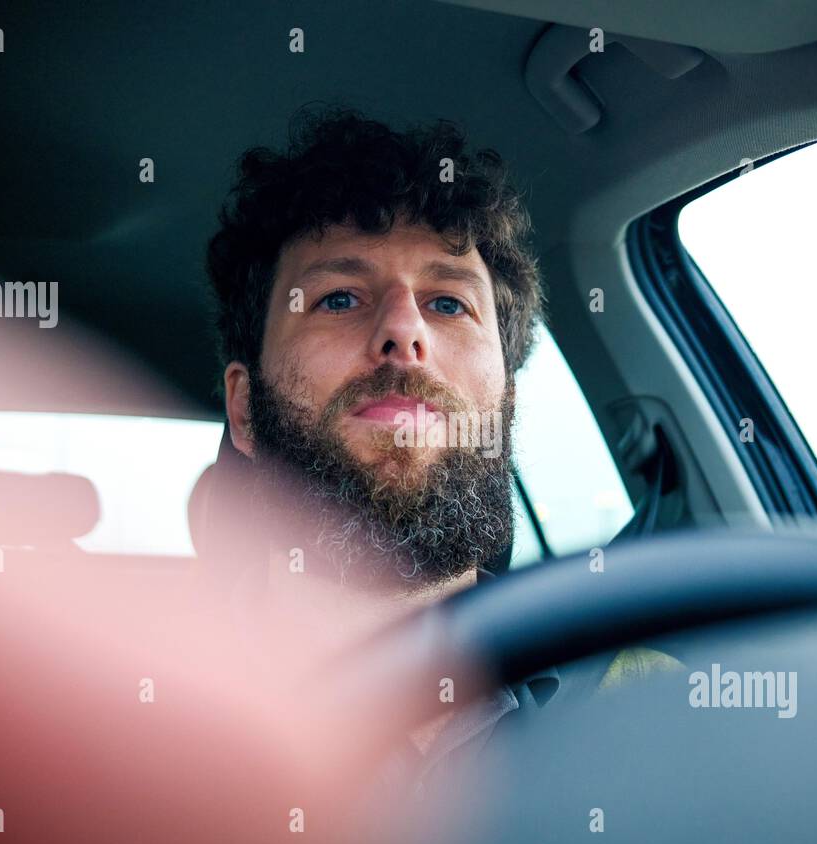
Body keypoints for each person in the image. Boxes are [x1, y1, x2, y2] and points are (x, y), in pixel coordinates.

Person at [202, 107, 681, 797]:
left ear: (507, 402)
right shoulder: (113, 724)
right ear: (244, 407)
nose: (404, 328)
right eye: (339, 297)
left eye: (449, 304)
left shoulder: (649, 705)